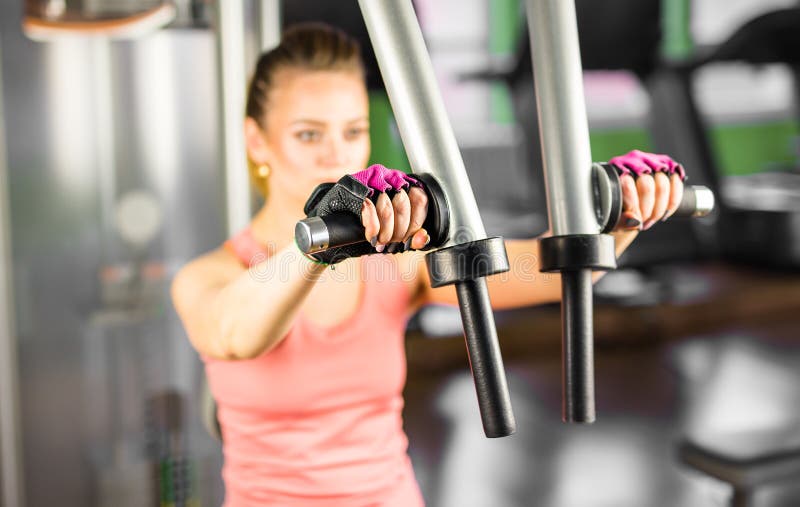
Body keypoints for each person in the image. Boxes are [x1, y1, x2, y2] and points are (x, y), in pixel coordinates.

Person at [171, 22, 688, 507]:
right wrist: (316, 246)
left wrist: (620, 216)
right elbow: (233, 334)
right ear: (258, 141)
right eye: (308, 135)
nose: (335, 155)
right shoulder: (209, 275)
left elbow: (561, 268)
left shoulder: (396, 265)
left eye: (352, 131)